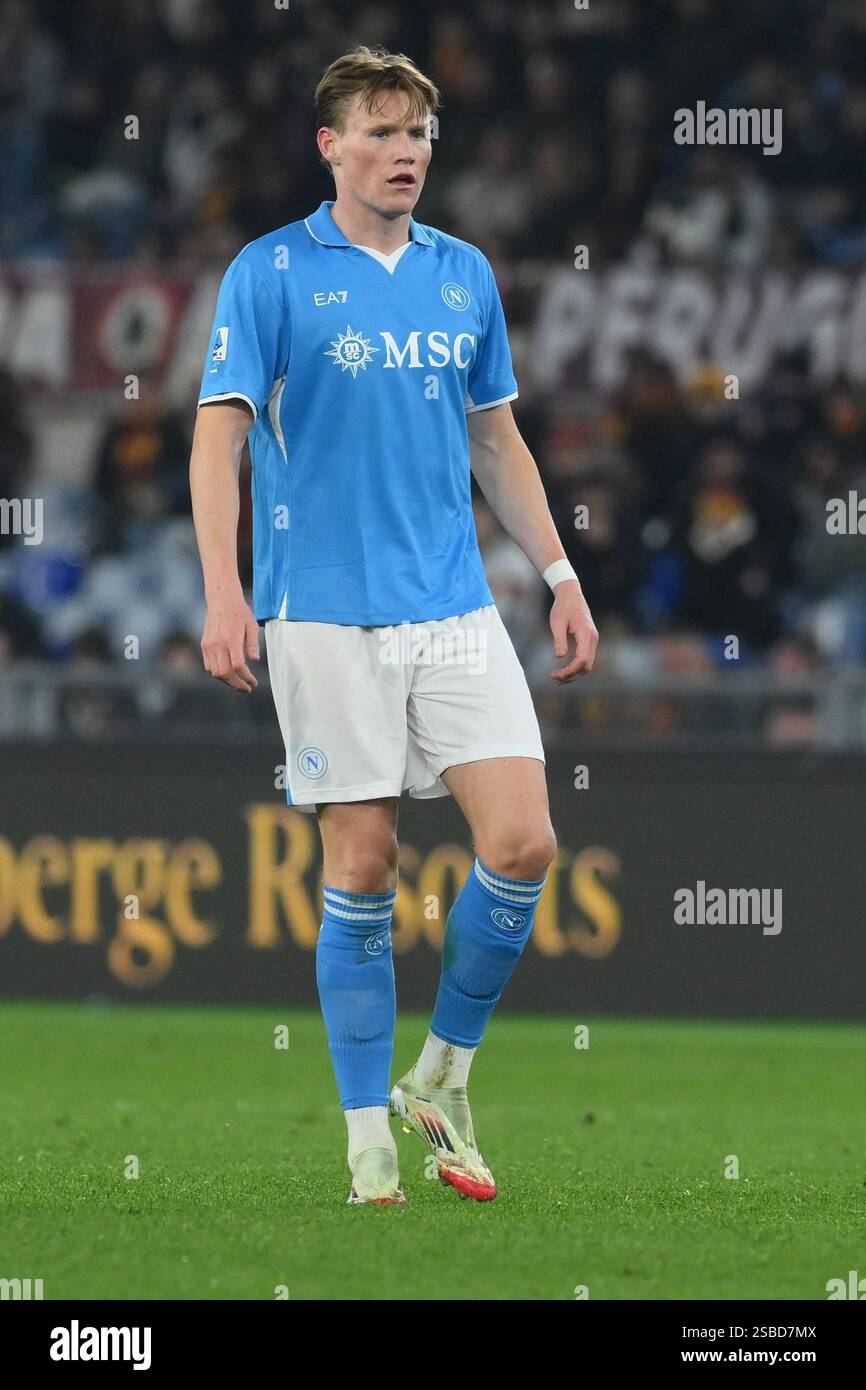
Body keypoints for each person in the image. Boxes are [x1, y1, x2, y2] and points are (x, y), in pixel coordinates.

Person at [189, 45, 598, 1207]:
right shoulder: (268, 274)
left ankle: (443, 1076)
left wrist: (560, 572)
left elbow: (493, 439)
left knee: (521, 843)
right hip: (318, 611)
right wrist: (223, 590)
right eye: (379, 131)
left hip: (455, 608)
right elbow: (215, 438)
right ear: (330, 146)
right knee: (362, 865)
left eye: (417, 132)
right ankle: (368, 1133)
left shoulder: (463, 274)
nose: (404, 150)